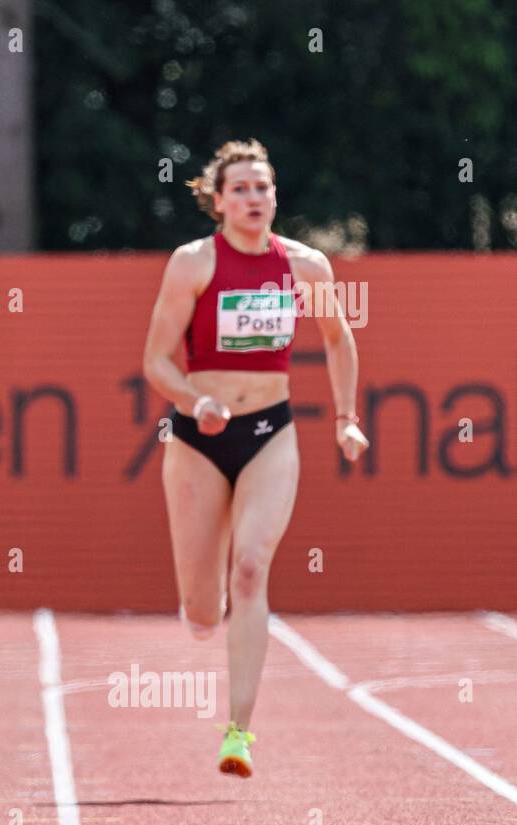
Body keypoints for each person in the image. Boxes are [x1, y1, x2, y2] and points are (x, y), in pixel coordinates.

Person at [142, 139, 368, 777]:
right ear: (217, 202)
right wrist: (195, 397)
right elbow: (156, 360)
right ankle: (199, 606)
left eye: (262, 187)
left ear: (275, 197)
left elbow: (338, 340)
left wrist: (347, 420)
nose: (253, 198)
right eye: (239, 188)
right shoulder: (192, 264)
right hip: (197, 439)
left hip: (272, 432)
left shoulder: (305, 266)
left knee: (250, 572)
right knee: (202, 610)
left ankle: (238, 732)